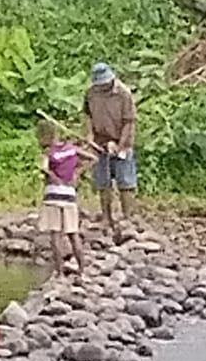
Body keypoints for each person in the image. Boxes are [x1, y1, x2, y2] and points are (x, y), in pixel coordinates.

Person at [83, 61, 138, 241]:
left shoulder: (124, 94)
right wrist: (90, 136)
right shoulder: (91, 93)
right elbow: (88, 115)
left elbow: (129, 122)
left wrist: (120, 146)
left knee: (125, 181)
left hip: (122, 140)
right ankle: (106, 217)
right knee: (102, 181)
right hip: (100, 141)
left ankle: (127, 218)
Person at [37, 118, 89, 276]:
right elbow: (93, 158)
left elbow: (44, 168)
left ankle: (59, 271)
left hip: (53, 195)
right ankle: (82, 269)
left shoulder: (48, 152)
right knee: (73, 233)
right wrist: (77, 173)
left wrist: (52, 176)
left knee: (56, 235)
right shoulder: (72, 149)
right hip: (69, 194)